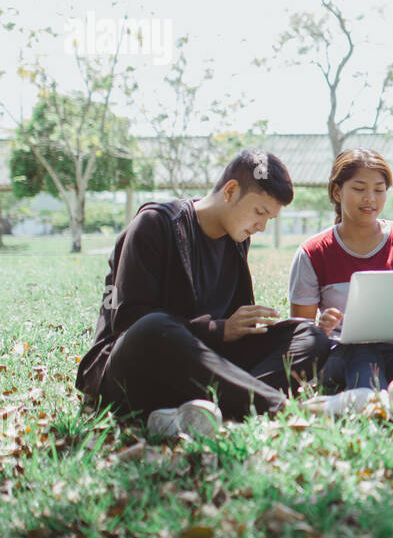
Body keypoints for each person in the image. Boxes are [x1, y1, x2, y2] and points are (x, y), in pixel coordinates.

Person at [77, 150, 332, 438]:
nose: (262, 226)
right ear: (231, 191)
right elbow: (129, 325)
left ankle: (200, 412)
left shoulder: (237, 241)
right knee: (153, 327)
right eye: (260, 212)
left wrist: (246, 327)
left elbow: (229, 330)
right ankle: (276, 406)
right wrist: (219, 329)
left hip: (201, 367)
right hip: (132, 372)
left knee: (309, 337)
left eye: (269, 218)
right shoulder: (155, 225)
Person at [288, 148, 393, 423]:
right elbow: (298, 335)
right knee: (362, 351)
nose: (371, 199)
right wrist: (322, 329)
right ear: (337, 193)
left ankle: (363, 398)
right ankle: (387, 401)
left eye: (379, 189)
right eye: (360, 188)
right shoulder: (313, 252)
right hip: (343, 353)